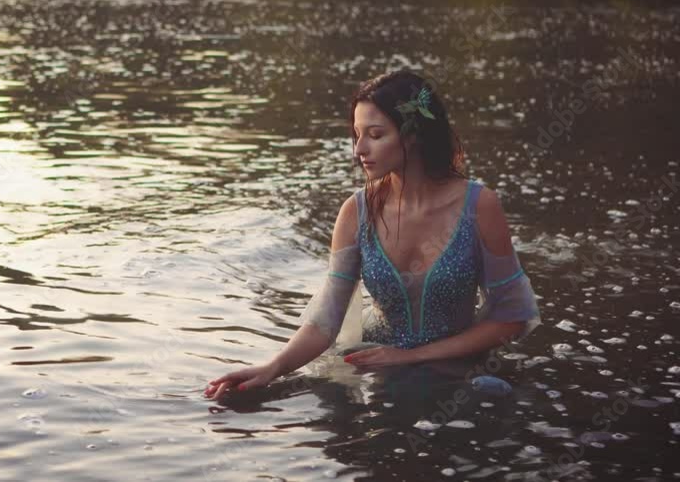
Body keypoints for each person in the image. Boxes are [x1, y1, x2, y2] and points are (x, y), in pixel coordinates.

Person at [204, 70, 542, 401]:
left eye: (375, 135)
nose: (358, 150)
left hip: (455, 365)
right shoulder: (356, 212)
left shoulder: (479, 206)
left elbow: (510, 318)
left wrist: (412, 356)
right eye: (357, 134)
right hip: (374, 361)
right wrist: (272, 367)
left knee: (491, 396)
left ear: (413, 135)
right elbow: (326, 320)